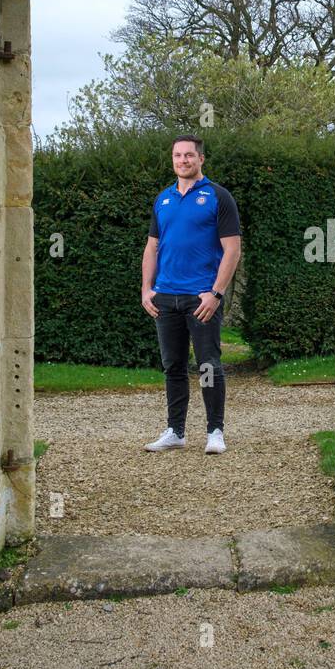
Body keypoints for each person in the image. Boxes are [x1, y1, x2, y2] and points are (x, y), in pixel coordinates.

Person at [140, 135, 242, 454]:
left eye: (188, 156)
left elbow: (232, 249)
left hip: (201, 298)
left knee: (208, 365)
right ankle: (176, 431)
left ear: (201, 159)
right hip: (166, 298)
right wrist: (147, 289)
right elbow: (152, 247)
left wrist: (216, 293)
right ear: (172, 160)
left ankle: (215, 431)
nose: (182, 160)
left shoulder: (217, 196)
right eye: (177, 156)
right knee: (173, 366)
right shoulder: (163, 199)